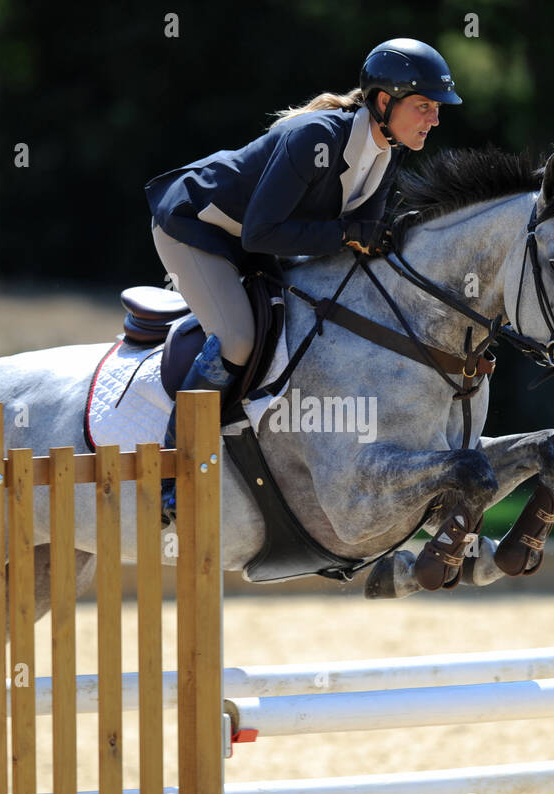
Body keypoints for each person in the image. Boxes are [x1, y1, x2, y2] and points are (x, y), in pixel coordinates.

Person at [144, 38, 462, 519]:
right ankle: (171, 472)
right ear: (383, 101)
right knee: (237, 338)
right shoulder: (316, 137)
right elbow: (263, 231)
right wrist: (349, 233)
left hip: (254, 238)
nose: (433, 120)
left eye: (436, 109)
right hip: (196, 225)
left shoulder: (389, 151)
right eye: (423, 107)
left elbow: (354, 242)